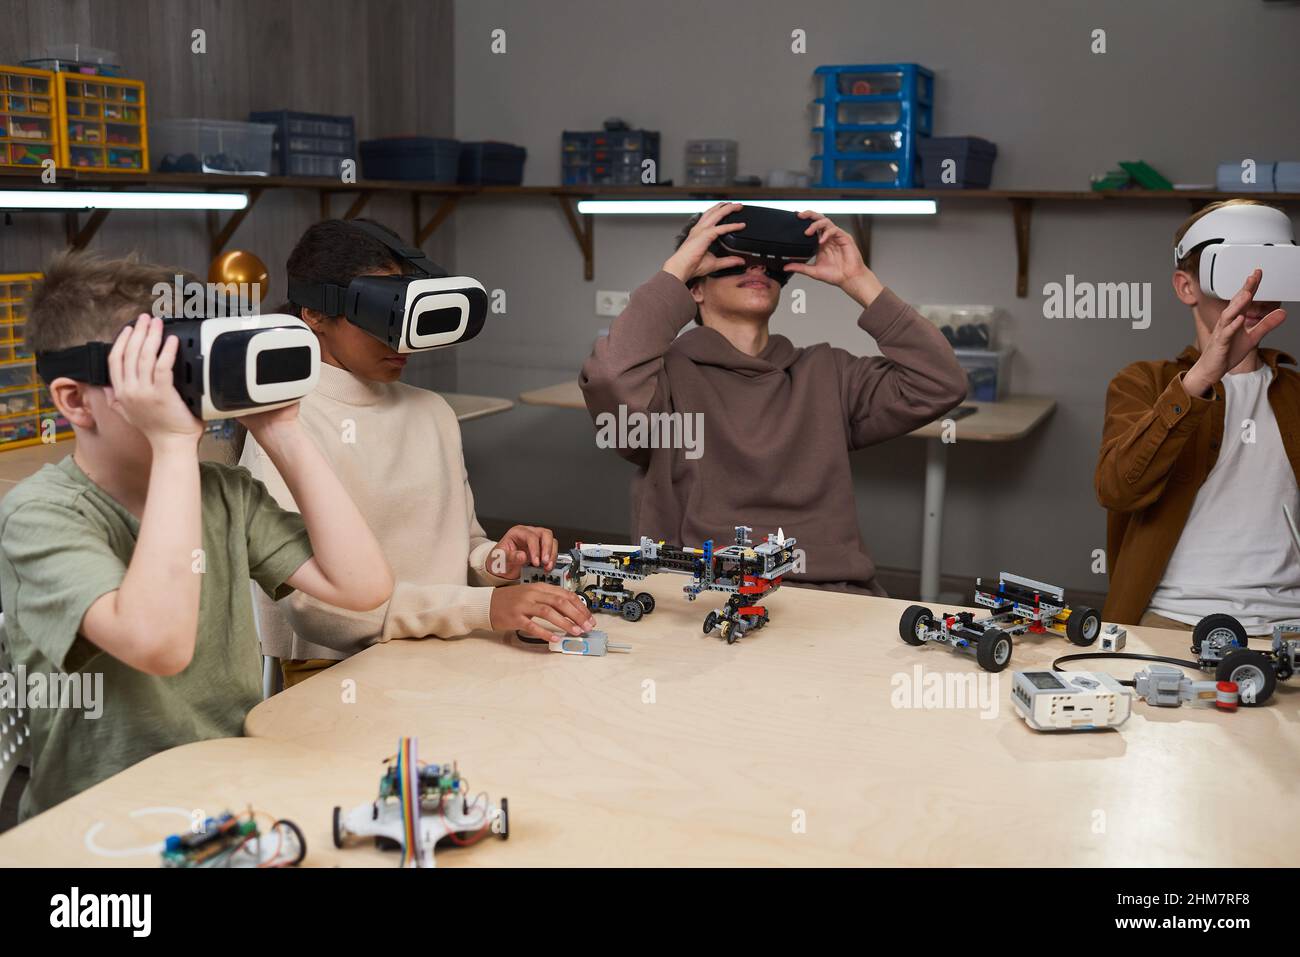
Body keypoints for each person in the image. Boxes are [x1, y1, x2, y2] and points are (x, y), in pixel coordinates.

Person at [0, 252, 393, 819]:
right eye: (153, 373)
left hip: (228, 790)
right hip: (99, 815)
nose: (181, 392)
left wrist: (283, 432)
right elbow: (160, 646)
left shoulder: (224, 494)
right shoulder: (37, 516)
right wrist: (173, 445)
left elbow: (362, 586)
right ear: (75, 400)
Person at [240, 220, 594, 688]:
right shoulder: (283, 427)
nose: (400, 338)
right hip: (340, 673)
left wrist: (495, 561)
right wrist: (481, 608)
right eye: (380, 316)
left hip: (449, 650)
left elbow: (462, 547)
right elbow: (317, 610)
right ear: (315, 313)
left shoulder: (432, 412)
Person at [580, 202, 968, 595]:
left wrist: (860, 281)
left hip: (829, 590)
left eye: (767, 263)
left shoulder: (828, 373)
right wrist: (674, 273)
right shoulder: (660, 381)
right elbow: (610, 376)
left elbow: (941, 382)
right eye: (734, 260)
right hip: (704, 592)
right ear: (695, 287)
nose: (756, 269)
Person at [1096, 198, 1299, 632]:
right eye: (1235, 274)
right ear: (1187, 287)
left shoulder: (1295, 394)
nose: (1252, 294)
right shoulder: (1143, 383)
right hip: (1174, 616)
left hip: (1288, 623)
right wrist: (1201, 378)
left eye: (1270, 272)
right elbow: (1117, 489)